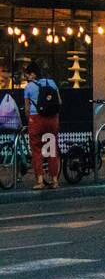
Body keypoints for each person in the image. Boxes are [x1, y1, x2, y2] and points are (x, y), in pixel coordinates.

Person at [22, 62, 61, 191]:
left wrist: (30, 120)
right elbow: (59, 102)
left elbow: (27, 109)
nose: (27, 77)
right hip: (52, 120)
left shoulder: (28, 87)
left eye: (28, 74)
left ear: (32, 74)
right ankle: (55, 180)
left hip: (37, 120)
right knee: (52, 149)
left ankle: (40, 181)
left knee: (37, 150)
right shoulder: (52, 83)